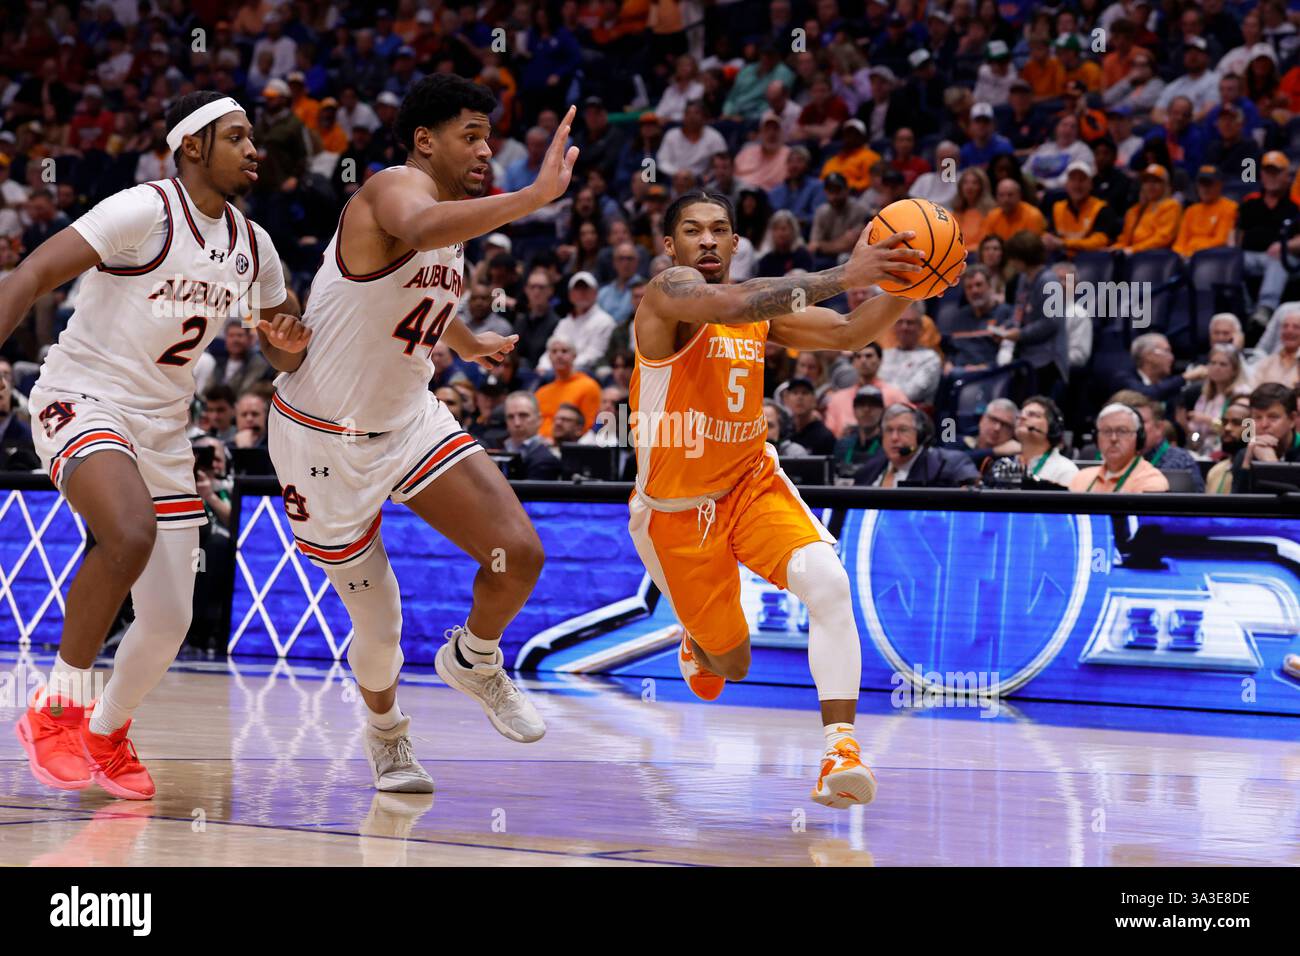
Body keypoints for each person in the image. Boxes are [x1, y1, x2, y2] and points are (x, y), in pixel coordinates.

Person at [268, 75, 567, 792]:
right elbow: (423, 231)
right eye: (471, 133)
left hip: (408, 420)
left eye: (489, 136)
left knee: (518, 555)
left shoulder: (450, 213)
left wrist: (462, 340)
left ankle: (475, 657)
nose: (486, 148)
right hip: (323, 439)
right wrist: (533, 198)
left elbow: (421, 286)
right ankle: (386, 734)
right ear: (424, 139)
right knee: (381, 628)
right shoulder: (390, 190)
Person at [0, 91, 302, 799]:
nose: (254, 149)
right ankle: (56, 709)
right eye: (238, 137)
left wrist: (288, 346)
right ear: (192, 145)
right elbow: (32, 274)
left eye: (254, 138)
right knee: (128, 532)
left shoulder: (254, 247)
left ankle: (105, 731)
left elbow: (286, 343)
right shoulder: (142, 210)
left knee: (169, 619)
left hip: (165, 427)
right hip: (84, 398)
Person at [627, 188, 941, 809]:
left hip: (750, 481)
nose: (708, 240)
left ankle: (840, 751)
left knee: (828, 582)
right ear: (670, 246)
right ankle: (696, 636)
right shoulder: (669, 293)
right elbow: (737, 301)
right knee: (731, 666)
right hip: (676, 511)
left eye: (721, 229)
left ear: (737, 242)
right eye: (693, 231)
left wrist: (911, 283)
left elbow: (851, 331)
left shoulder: (760, 306)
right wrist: (848, 273)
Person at [854, 404, 981, 487]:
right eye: (889, 430)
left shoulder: (950, 464)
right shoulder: (868, 470)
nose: (894, 438)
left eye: (903, 430)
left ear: (920, 435)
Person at [1111, 389, 1206, 491]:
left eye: (1140, 421)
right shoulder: (1104, 457)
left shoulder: (1179, 462)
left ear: (1159, 428)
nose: (1131, 428)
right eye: (1120, 425)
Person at [1069, 403, 1170, 492]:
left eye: (1122, 431)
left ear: (1138, 437)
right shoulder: (1081, 478)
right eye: (1106, 431)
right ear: (1096, 437)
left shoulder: (1151, 481)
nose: (1113, 439)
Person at [1230, 382, 1300, 493]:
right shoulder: (1244, 454)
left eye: (1273, 417)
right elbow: (1237, 507)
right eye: (1257, 417)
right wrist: (1246, 464)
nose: (1264, 425)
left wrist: (1271, 464)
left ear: (1292, 419)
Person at [1010, 396, 1078, 487]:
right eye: (1020, 414)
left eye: (1032, 415)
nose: (1022, 417)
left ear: (1052, 427)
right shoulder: (1006, 465)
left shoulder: (1065, 470)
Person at [502, 390, 563, 479]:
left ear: (539, 419)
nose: (517, 423)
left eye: (523, 415)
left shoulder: (546, 459)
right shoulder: (500, 451)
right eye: (510, 417)